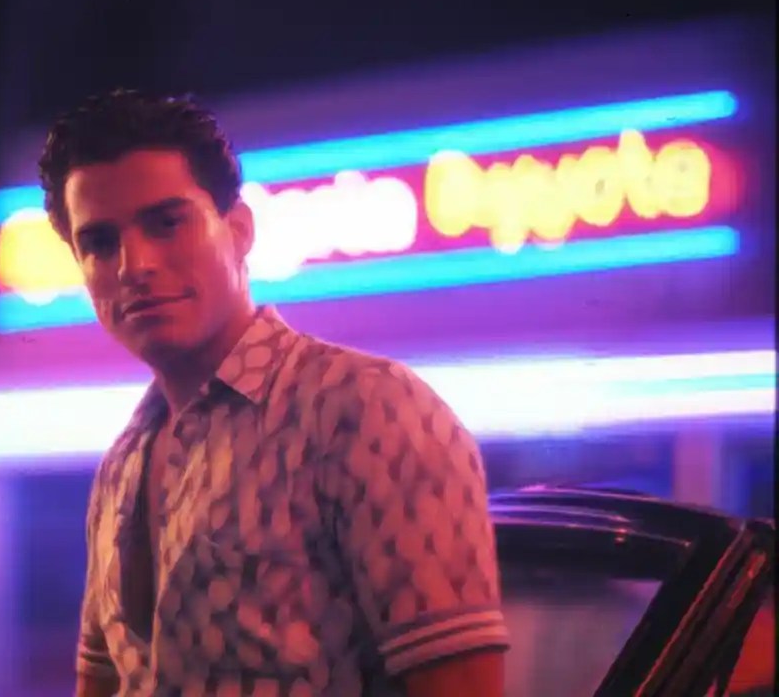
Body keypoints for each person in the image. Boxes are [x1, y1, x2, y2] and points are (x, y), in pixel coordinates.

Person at [37, 89, 508, 697]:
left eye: (166, 222)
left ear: (238, 230)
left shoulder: (366, 410)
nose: (135, 266)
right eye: (100, 243)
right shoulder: (120, 468)